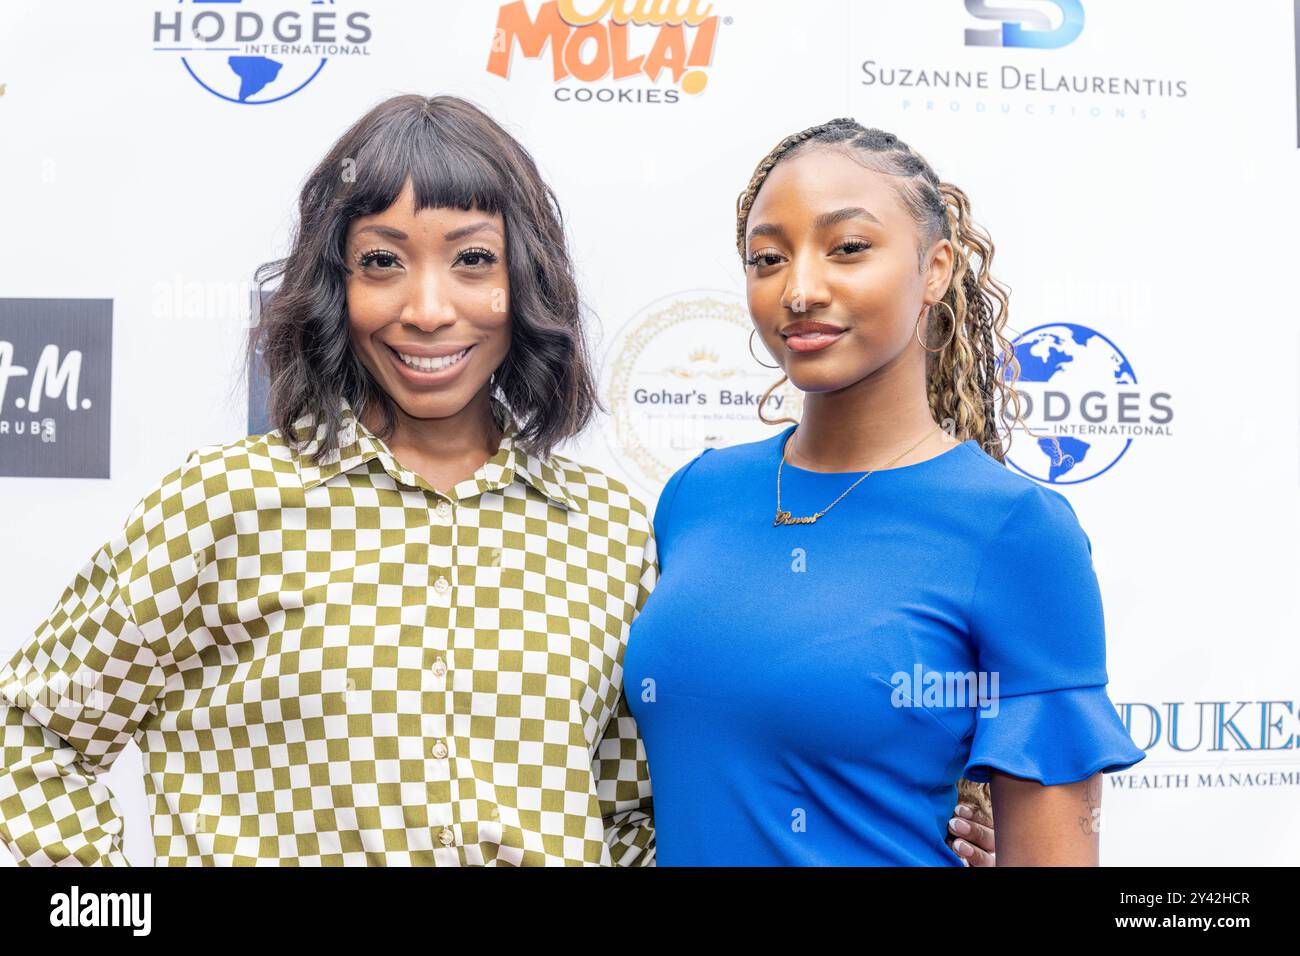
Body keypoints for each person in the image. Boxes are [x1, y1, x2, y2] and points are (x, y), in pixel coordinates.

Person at [0, 97, 998, 867]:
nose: (429, 308)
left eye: (471, 260)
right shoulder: (226, 506)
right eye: (381, 261)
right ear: (331, 289)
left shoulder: (610, 534)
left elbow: (650, 811)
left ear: (524, 282)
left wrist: (912, 824)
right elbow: (32, 730)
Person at [623, 118, 1146, 866]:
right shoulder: (698, 495)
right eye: (768, 257)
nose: (800, 289)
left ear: (935, 269)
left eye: (848, 248)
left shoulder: (1016, 530)